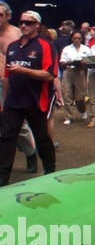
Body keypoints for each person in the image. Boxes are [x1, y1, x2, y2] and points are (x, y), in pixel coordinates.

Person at [0, 10, 58, 184]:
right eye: (22, 22)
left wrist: (23, 70)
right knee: (6, 137)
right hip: (13, 101)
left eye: (28, 22)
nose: (24, 25)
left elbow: (49, 74)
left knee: (42, 138)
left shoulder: (45, 46)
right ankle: (2, 179)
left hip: (35, 100)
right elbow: (6, 77)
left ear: (37, 25)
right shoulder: (13, 47)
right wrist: (4, 102)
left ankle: (50, 172)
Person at [0, 3, 40, 173]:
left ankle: (30, 153)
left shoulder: (16, 34)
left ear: (8, 16)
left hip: (12, 85)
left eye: (0, 14)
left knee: (17, 125)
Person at [58, 31, 91, 124]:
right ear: (71, 39)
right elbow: (62, 60)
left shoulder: (86, 49)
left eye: (79, 38)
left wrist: (85, 63)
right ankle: (69, 116)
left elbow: (91, 60)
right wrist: (67, 62)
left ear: (82, 39)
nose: (76, 40)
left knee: (81, 97)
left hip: (80, 72)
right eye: (74, 38)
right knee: (67, 94)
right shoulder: (67, 49)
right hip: (68, 72)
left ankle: (82, 110)